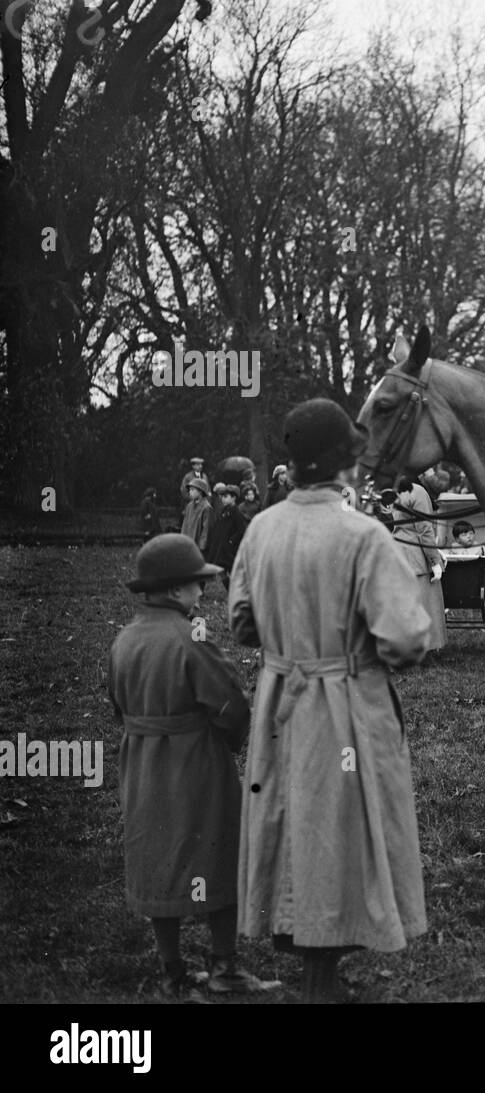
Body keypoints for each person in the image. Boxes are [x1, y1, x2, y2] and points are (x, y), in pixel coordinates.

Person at [229, 398, 433, 1002]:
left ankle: (314, 968)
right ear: (347, 465)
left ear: (293, 464)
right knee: (340, 827)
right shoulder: (363, 534)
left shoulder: (261, 528)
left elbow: (242, 622)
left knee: (294, 820)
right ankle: (321, 980)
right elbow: (403, 638)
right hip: (345, 702)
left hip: (279, 700)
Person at [108, 534, 279, 1000]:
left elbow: (116, 706)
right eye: (195, 585)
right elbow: (229, 704)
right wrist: (233, 741)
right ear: (173, 590)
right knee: (217, 851)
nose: (202, 593)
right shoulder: (190, 638)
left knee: (155, 859)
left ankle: (172, 972)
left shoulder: (123, 639)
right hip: (196, 763)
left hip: (141, 762)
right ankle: (224, 967)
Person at [393, 475, 448, 658]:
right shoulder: (418, 492)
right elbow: (424, 529)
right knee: (425, 605)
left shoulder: (397, 491)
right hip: (417, 554)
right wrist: (434, 561)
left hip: (400, 550)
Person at [206, 484, 248, 588]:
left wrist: (231, 540)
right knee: (221, 571)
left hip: (230, 549)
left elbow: (241, 530)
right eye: (222, 497)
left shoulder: (237, 513)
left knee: (233, 571)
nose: (222, 500)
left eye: (225, 497)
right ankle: (231, 591)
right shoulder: (223, 511)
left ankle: (237, 591)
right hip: (222, 548)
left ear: (233, 498)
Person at [180, 478, 212, 555]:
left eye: (192, 490)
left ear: (200, 491)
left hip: (197, 546)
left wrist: (202, 546)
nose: (190, 492)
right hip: (187, 542)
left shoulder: (206, 507)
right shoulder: (189, 506)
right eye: (189, 490)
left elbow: (206, 529)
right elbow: (185, 524)